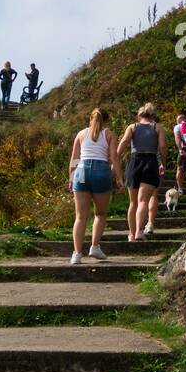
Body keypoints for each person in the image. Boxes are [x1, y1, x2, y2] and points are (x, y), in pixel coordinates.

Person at [69, 108, 123, 264]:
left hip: (81, 171)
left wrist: (72, 178)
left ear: (90, 119)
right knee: (99, 214)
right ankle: (94, 247)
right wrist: (119, 178)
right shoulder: (109, 134)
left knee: (80, 216)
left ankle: (77, 254)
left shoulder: (80, 134)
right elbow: (114, 157)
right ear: (106, 121)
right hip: (101, 171)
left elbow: (74, 158)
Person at [116, 102, 166, 241]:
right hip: (150, 162)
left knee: (133, 203)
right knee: (143, 200)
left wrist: (115, 160)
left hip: (134, 162)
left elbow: (124, 142)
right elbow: (162, 147)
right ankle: (139, 231)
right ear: (152, 115)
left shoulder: (132, 127)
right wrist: (163, 163)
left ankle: (131, 235)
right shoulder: (157, 127)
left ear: (139, 115)